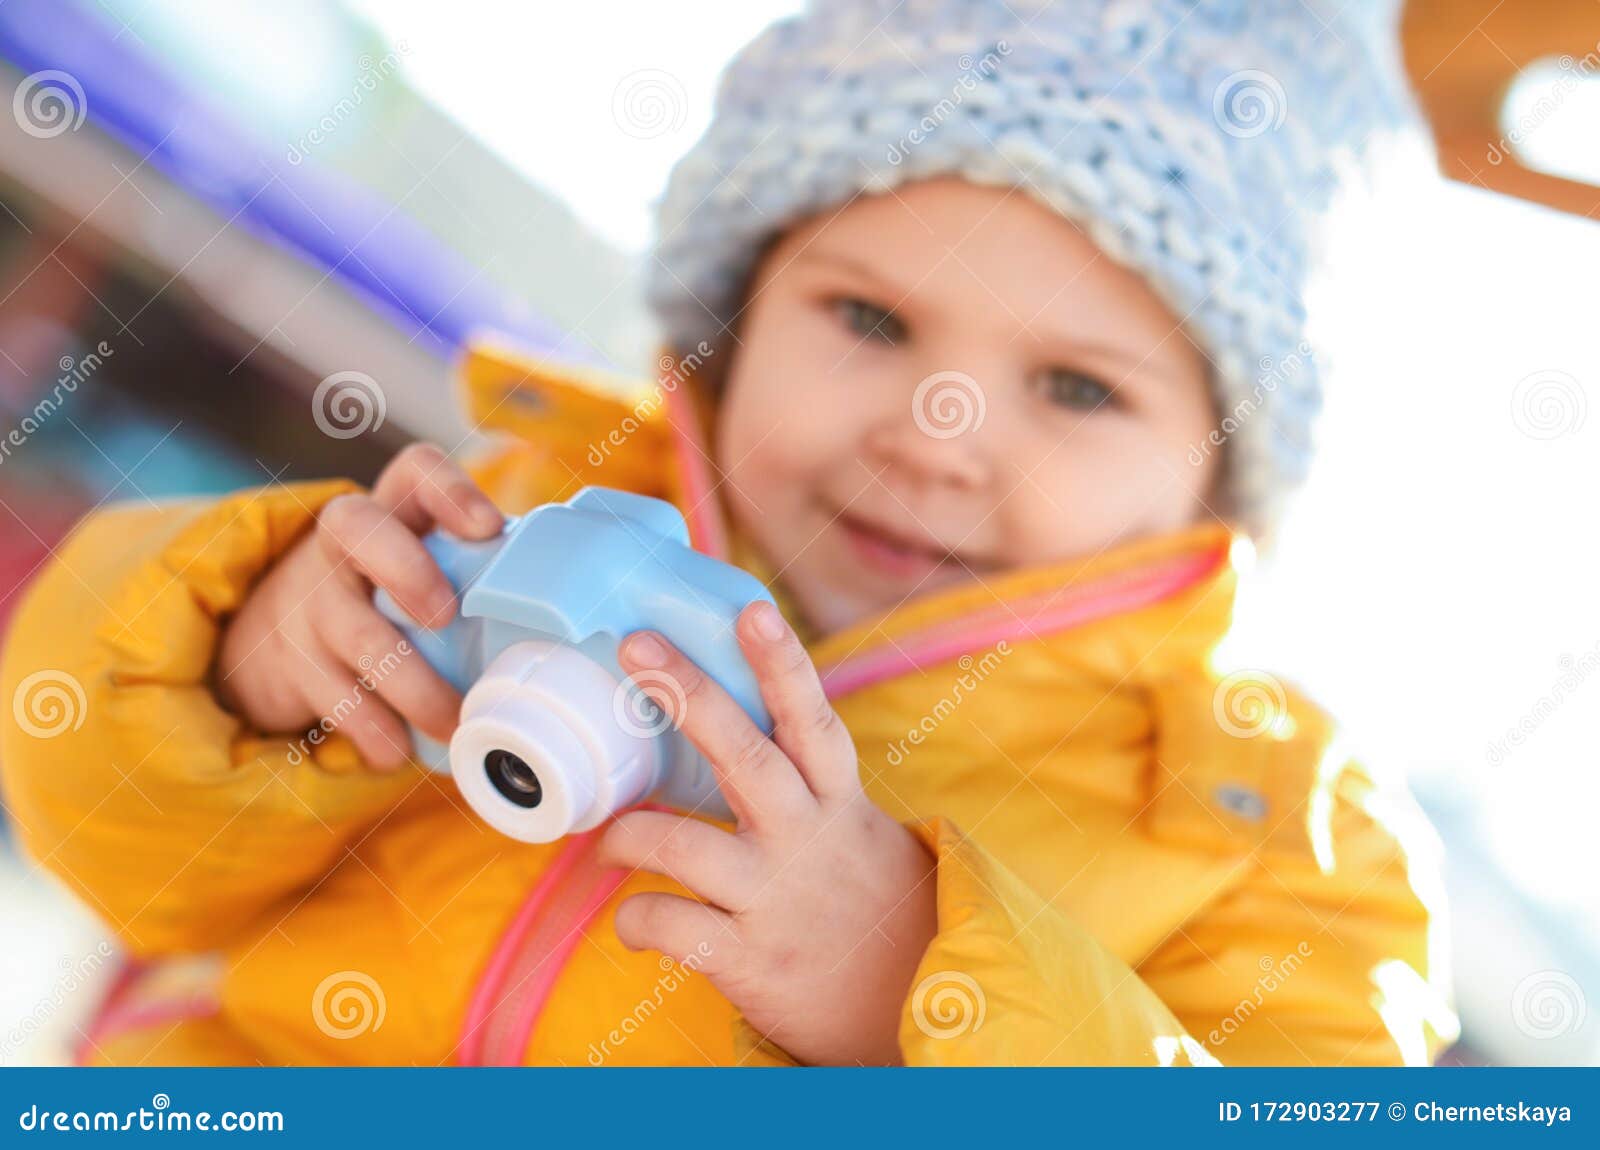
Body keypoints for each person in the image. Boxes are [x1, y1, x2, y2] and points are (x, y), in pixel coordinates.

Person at [0, 0, 1456, 1065]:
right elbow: (114, 846)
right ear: (739, 314)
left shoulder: (1269, 833)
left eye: (1077, 388)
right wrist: (241, 667)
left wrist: (922, 991)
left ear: (1217, 478)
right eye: (871, 318)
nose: (935, 431)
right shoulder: (521, 505)